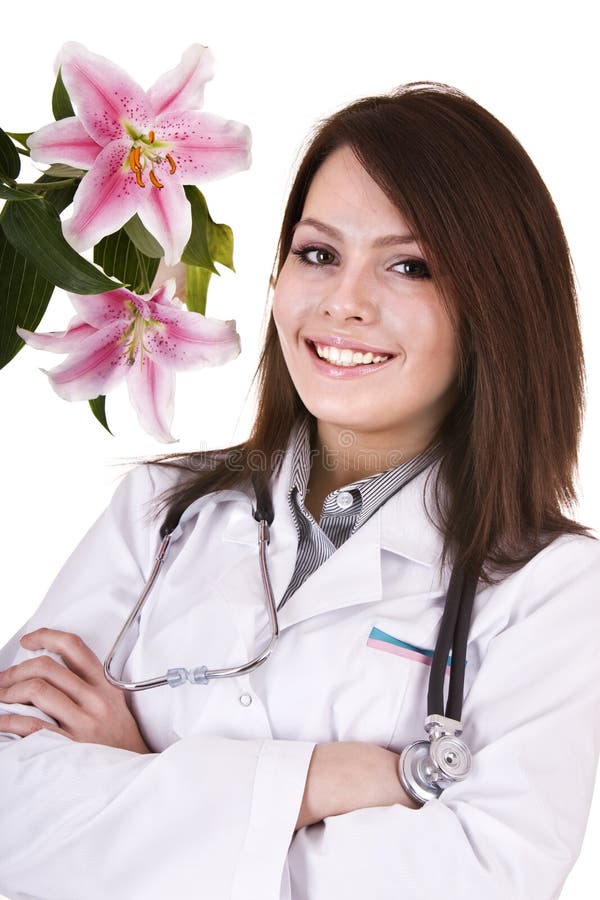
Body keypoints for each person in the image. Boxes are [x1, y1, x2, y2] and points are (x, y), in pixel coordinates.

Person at [0, 81, 599, 900]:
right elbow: (11, 815)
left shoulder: (551, 590)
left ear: (496, 307)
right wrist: (316, 782)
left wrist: (142, 775)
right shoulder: (160, 512)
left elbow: (480, 878)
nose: (343, 302)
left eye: (410, 265)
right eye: (318, 254)